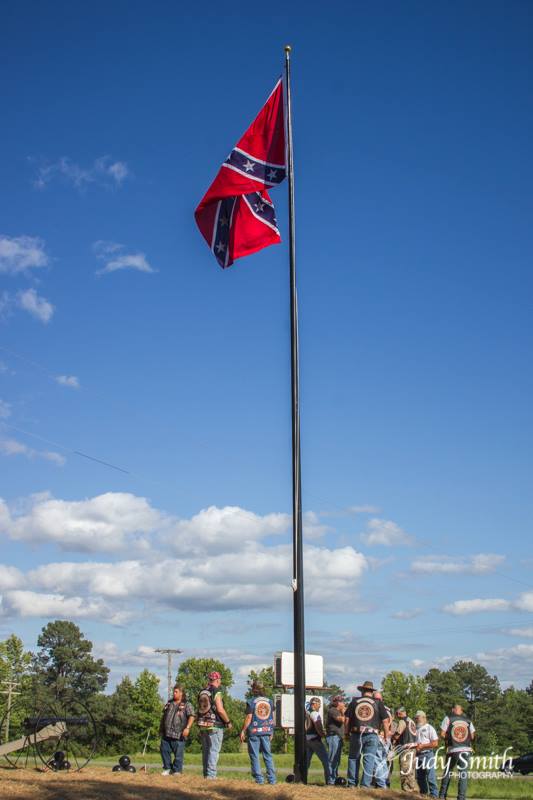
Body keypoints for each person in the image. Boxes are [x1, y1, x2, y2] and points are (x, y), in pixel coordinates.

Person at [345, 680, 390, 788]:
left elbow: (347, 719)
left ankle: (351, 783)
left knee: (353, 758)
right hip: (372, 734)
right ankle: (365, 785)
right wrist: (386, 736)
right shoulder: (378, 703)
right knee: (369, 759)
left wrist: (346, 733)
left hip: (356, 734)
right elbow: (385, 721)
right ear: (371, 691)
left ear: (362, 691)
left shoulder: (354, 702)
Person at [197, 670, 232, 779]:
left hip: (203, 724)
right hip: (215, 725)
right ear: (217, 680)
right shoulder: (216, 691)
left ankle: (206, 775)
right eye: (220, 679)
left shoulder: (202, 691)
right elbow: (220, 710)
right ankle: (211, 776)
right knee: (214, 751)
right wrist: (228, 722)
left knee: (206, 752)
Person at [240, 681, 276, 785]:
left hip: (254, 731)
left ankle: (259, 779)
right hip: (266, 731)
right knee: (268, 755)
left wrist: (243, 730)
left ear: (254, 690)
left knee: (254, 755)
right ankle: (272, 779)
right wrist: (271, 730)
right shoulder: (270, 701)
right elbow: (272, 717)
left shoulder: (251, 702)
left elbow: (249, 717)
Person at [439, 704, 475, 800]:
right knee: (463, 774)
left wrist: (450, 737)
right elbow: (472, 736)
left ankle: (442, 796)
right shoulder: (468, 720)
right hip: (466, 750)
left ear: (453, 710)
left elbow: (442, 734)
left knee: (447, 772)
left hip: (453, 750)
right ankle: (461, 797)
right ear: (461, 711)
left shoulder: (448, 718)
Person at [159, 684, 195, 775]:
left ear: (181, 693)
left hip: (179, 734)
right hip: (166, 733)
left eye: (176, 692)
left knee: (178, 754)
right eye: (173, 692)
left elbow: (192, 716)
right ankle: (167, 768)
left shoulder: (187, 704)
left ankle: (177, 770)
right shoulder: (169, 703)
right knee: (164, 750)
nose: (174, 693)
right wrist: (161, 729)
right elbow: (164, 716)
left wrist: (187, 728)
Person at [306, 696, 334, 785]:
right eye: (319, 704)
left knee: (306, 762)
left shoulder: (306, 713)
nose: (320, 706)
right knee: (326, 761)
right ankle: (330, 781)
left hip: (306, 739)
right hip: (315, 740)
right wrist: (323, 735)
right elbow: (318, 726)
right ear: (314, 704)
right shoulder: (314, 714)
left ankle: (302, 779)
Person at [392, 706, 418, 792]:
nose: (397, 715)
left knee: (405, 769)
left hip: (406, 748)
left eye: (397, 713)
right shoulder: (411, 721)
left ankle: (406, 790)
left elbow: (397, 734)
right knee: (411, 770)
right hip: (413, 748)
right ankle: (412, 788)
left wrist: (392, 739)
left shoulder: (403, 721)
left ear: (400, 713)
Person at [414, 710, 439, 797]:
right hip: (418, 755)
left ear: (424, 718)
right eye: (415, 718)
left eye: (418, 717)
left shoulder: (429, 728)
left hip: (428, 754)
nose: (416, 719)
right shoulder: (415, 728)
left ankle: (434, 795)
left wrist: (423, 746)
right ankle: (424, 795)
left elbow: (435, 743)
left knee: (430, 776)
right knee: (420, 777)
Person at [373, 690, 392, 789]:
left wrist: (384, 735)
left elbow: (387, 723)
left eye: (378, 699)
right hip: (385, 737)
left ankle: (381, 784)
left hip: (381, 736)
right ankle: (384, 782)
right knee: (383, 761)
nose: (377, 700)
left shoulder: (380, 709)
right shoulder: (386, 709)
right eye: (376, 699)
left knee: (377, 760)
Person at [325, 695, 346, 783]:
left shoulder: (338, 711)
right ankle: (331, 780)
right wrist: (343, 712)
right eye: (340, 701)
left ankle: (334, 777)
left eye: (342, 701)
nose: (342, 703)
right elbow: (342, 720)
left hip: (338, 737)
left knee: (336, 759)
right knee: (332, 759)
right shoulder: (332, 711)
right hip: (333, 737)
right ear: (336, 703)